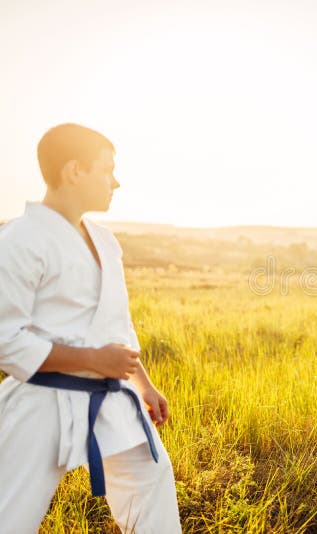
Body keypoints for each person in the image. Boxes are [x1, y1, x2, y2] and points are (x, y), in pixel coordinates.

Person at [0, 123, 181, 533]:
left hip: (111, 397)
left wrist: (144, 384)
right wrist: (92, 359)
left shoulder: (104, 241)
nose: (116, 182)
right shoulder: (19, 240)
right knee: (9, 517)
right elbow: (4, 339)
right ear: (74, 171)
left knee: (152, 485)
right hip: (40, 402)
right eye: (108, 170)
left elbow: (116, 324)